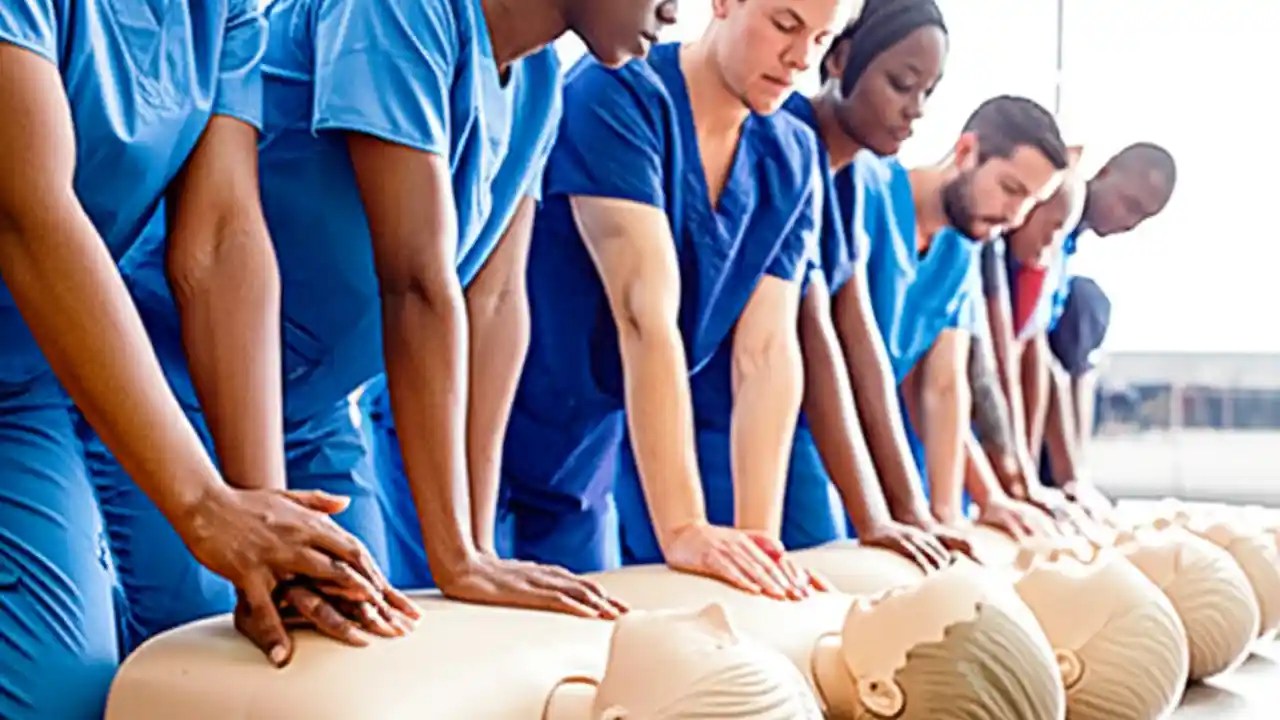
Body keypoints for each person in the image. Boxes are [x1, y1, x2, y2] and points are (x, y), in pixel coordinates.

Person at [110, 0, 679, 639]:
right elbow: (416, 283)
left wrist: (476, 547)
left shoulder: (541, 83)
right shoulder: (397, 11)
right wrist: (454, 559)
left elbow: (493, 304)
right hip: (170, 384)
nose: (672, 11)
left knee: (372, 630)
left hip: (313, 416)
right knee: (200, 647)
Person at [0, 0, 415, 715]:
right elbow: (27, 210)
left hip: (19, 379)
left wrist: (270, 526)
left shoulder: (225, 16)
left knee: (64, 692)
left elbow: (223, 240)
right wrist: (201, 504)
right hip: (37, 312)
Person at [501, 0, 853, 599]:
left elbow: (766, 355)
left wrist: (758, 546)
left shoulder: (793, 158)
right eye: (784, 24)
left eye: (820, 41)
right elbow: (644, 312)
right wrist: (685, 526)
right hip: (488, 421)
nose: (800, 59)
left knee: (585, 644)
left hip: (583, 456)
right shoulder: (615, 91)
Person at [776, 0, 975, 570]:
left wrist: (912, 511)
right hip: (736, 422)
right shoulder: (784, 140)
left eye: (927, 94)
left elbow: (860, 342)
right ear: (839, 58)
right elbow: (815, 336)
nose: (913, 111)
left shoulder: (857, 177)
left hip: (807, 426)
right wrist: (875, 518)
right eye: (900, 83)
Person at [852, 95, 1069, 538]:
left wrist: (951, 513)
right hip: (808, 436)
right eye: (1010, 189)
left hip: (884, 448)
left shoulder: (960, 251)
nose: (1015, 217)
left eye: (1031, 202)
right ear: (966, 151)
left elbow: (945, 388)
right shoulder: (869, 191)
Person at [987, 143, 1175, 515]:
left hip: (1027, 417)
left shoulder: (1064, 250)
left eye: (1142, 218)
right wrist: (1026, 479)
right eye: (1129, 204)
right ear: (1104, 172)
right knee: (1085, 305)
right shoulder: (1033, 227)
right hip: (989, 407)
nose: (1128, 222)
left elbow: (1055, 362)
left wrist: (1075, 477)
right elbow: (1021, 351)